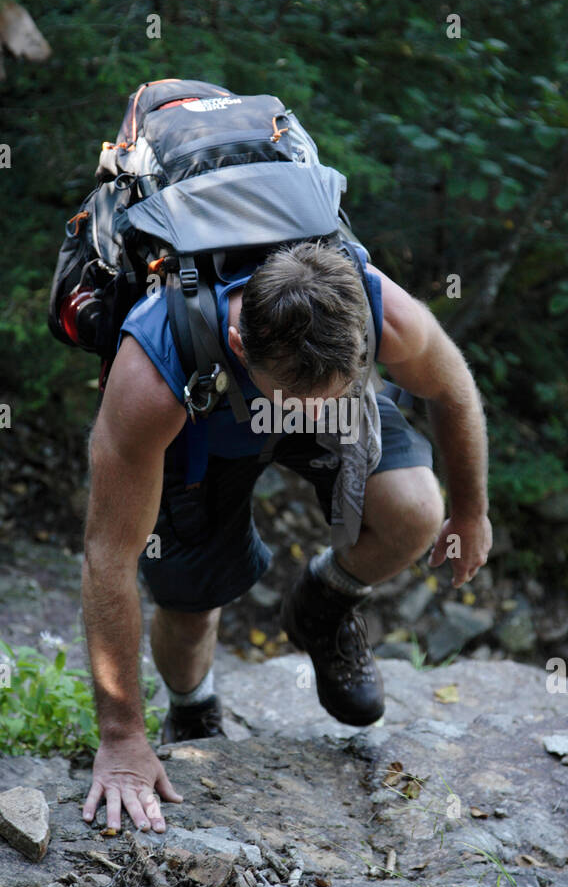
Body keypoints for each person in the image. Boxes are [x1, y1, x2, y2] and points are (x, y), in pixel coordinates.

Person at [81, 240, 491, 834]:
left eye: (326, 396)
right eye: (298, 402)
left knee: (418, 512)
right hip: (201, 423)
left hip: (305, 390)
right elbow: (107, 558)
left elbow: (452, 387)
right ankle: (193, 710)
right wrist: (120, 740)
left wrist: (472, 511)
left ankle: (323, 606)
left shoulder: (379, 310)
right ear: (241, 344)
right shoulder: (154, 369)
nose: (308, 413)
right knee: (192, 607)